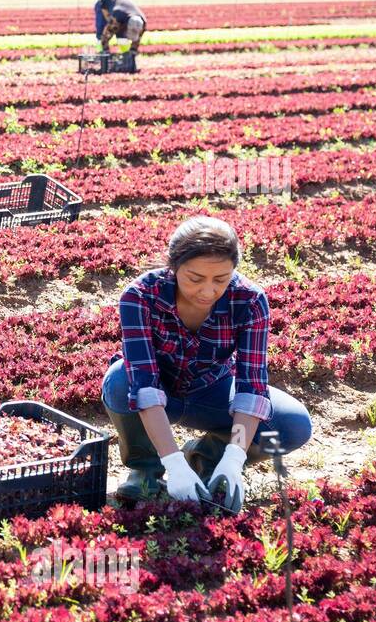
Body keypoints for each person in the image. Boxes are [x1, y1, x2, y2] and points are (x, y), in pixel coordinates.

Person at [101, 216, 312, 511]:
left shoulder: (249, 301)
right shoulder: (140, 296)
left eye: (221, 279)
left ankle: (208, 461)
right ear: (173, 267)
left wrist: (235, 456)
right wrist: (172, 461)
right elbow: (145, 386)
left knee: (292, 424)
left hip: (212, 391)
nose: (208, 291)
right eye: (195, 278)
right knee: (120, 380)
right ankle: (147, 469)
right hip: (160, 392)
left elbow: (251, 388)